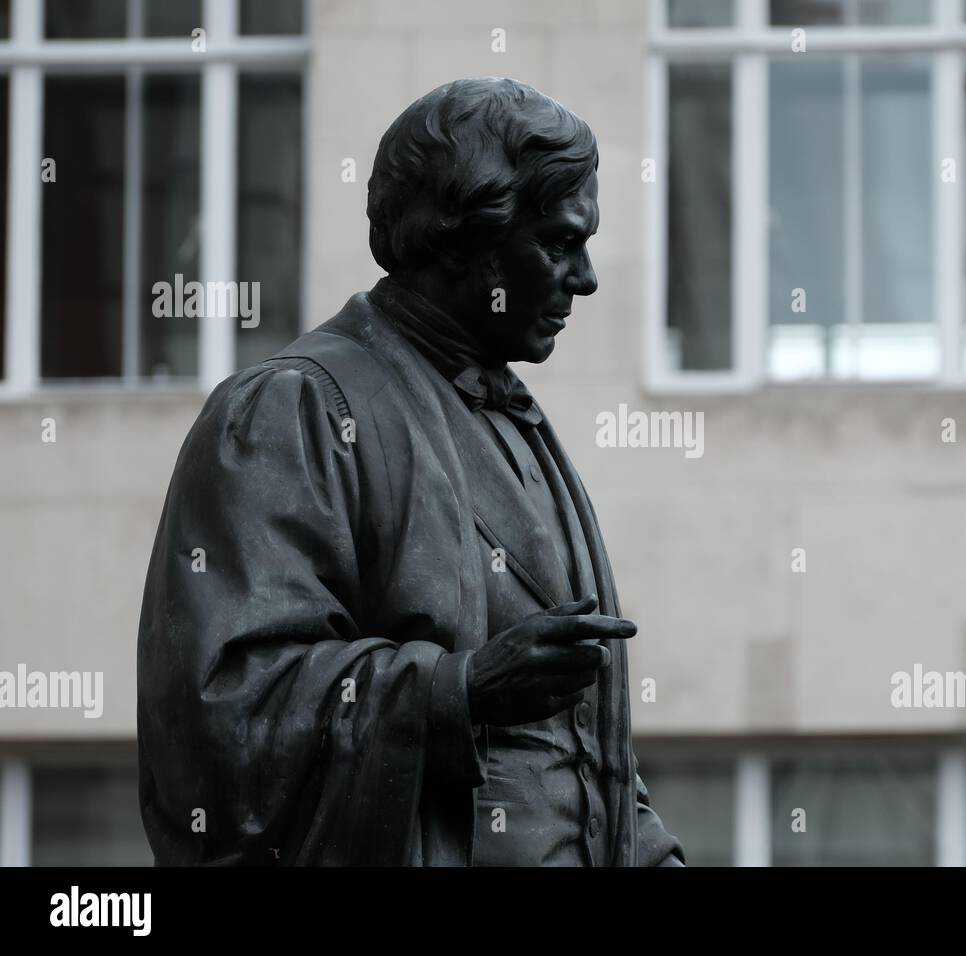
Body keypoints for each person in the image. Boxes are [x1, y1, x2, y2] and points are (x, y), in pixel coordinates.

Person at [136, 77, 685, 867]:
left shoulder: (516, 425)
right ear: (467, 239)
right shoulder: (297, 410)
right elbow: (220, 721)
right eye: (559, 243)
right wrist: (457, 691)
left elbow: (578, 759)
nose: (586, 277)